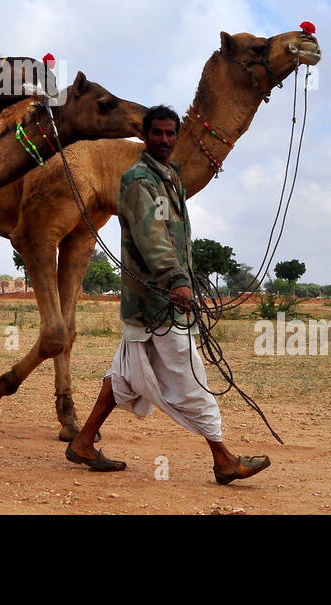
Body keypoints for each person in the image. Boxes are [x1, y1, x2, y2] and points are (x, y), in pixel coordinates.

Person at [65, 105, 270, 484]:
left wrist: (183, 277)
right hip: (157, 303)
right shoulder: (140, 181)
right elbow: (152, 238)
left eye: (170, 134)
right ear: (145, 136)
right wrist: (177, 278)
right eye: (156, 133)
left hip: (159, 300)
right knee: (191, 379)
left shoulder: (170, 179)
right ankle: (223, 459)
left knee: (123, 376)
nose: (163, 140)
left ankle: (83, 441)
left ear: (177, 138)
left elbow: (172, 237)